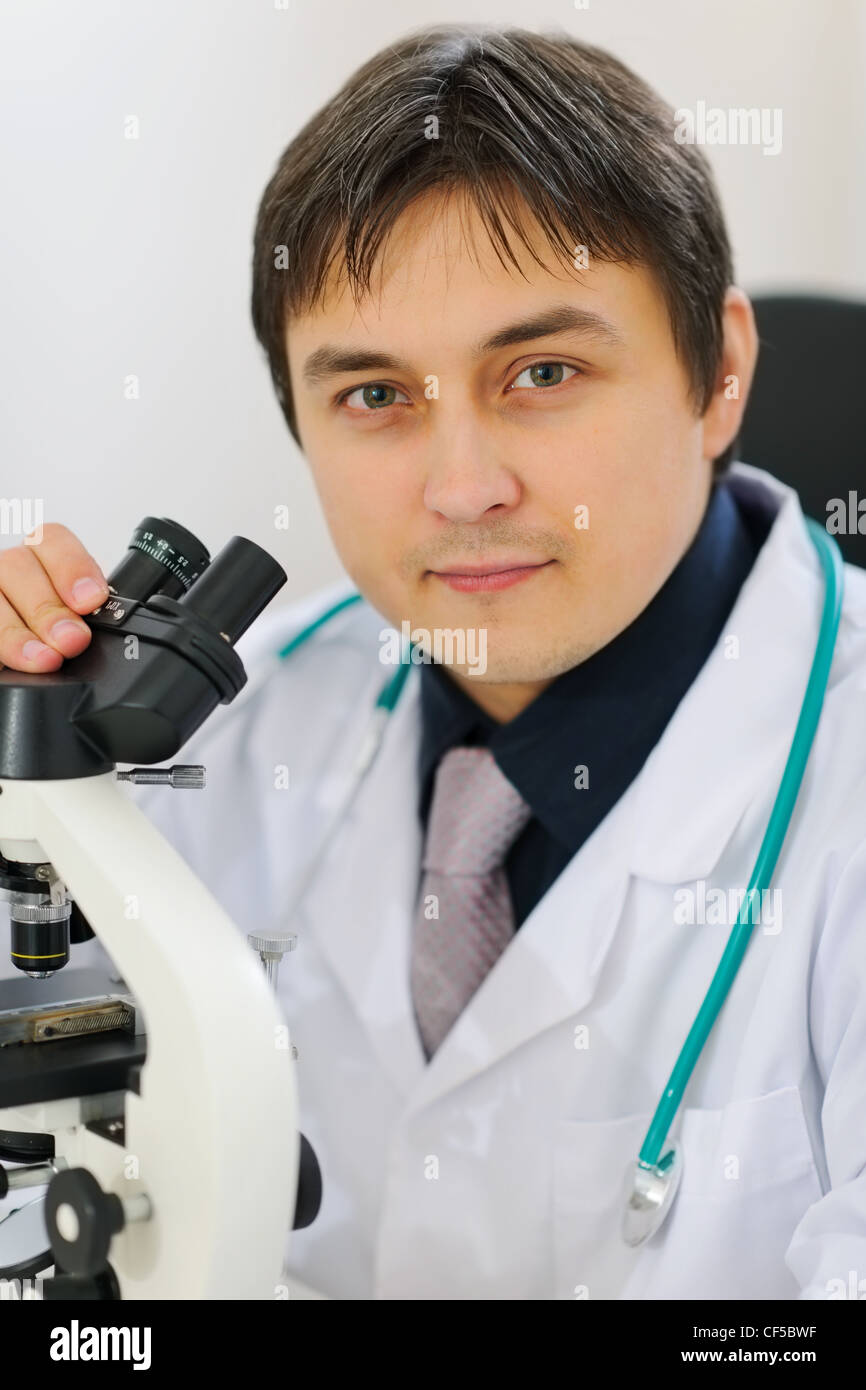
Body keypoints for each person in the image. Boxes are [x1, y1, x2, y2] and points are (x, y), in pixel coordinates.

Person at [2, 26, 865, 1301]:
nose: (462, 487)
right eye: (373, 396)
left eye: (542, 372)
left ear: (718, 371)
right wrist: (34, 790)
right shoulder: (237, 732)